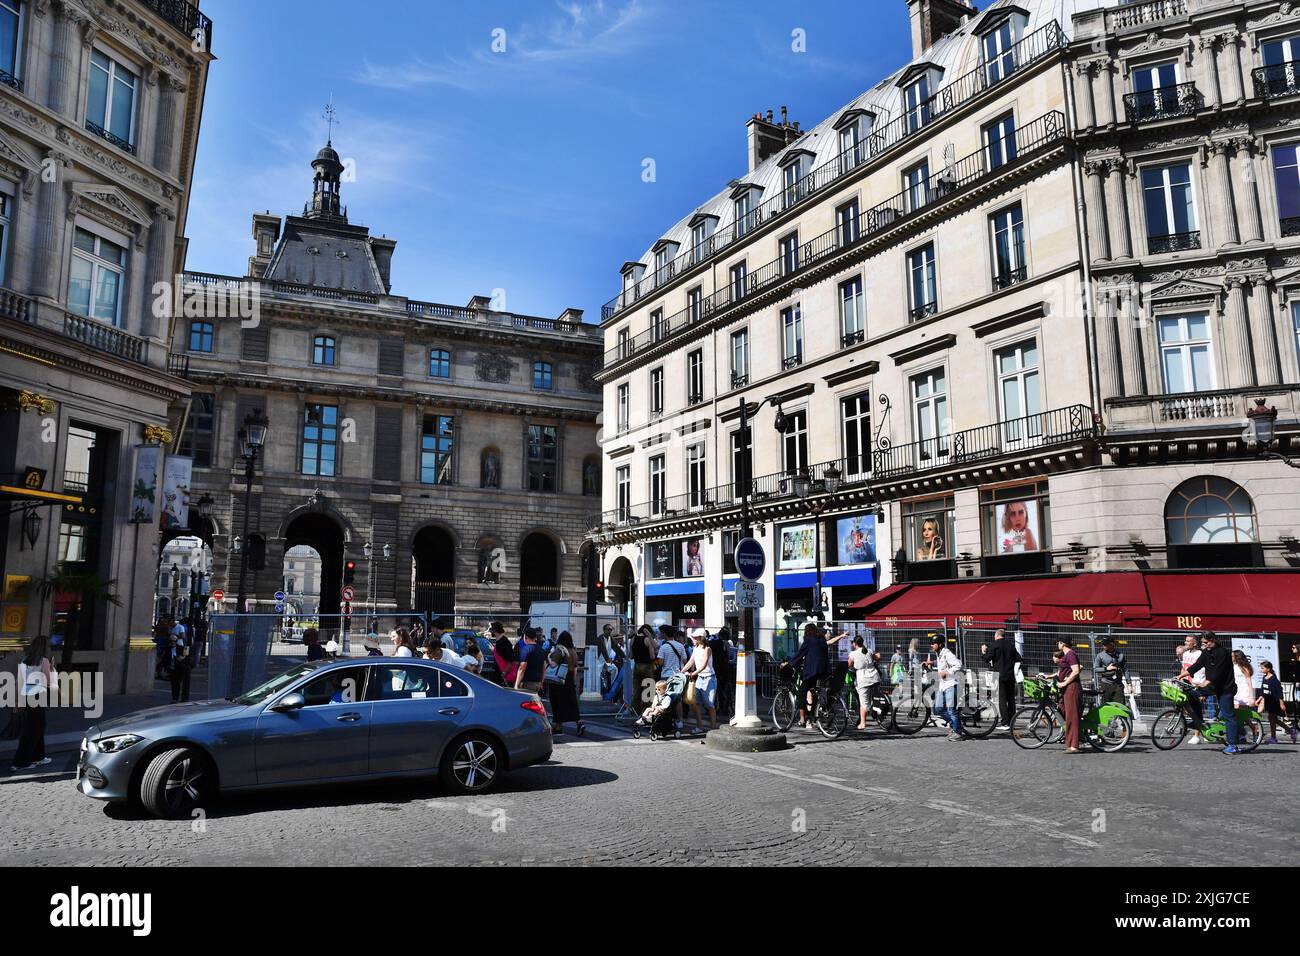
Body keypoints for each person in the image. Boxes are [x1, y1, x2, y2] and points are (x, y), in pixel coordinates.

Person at [1181, 632, 1237, 753]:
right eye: (1202, 643)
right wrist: (1182, 675)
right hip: (1213, 686)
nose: (1204, 645)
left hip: (1225, 688)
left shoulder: (1223, 653)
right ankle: (1199, 721)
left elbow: (1218, 671)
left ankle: (1233, 745)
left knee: (1228, 716)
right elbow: (1196, 665)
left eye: (1206, 643)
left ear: (1213, 640)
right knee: (1191, 694)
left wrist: (1206, 681)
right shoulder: (1206, 652)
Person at [11, 635, 54, 772]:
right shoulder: (44, 661)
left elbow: (19, 682)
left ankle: (38, 756)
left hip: (25, 695)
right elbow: (47, 682)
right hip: (38, 695)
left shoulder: (25, 661)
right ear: (44, 648)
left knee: (37, 726)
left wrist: (17, 701)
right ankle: (20, 762)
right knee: (33, 728)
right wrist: (52, 670)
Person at [786, 622, 833, 728]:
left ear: (807, 631)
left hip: (812, 671)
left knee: (801, 693)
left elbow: (800, 654)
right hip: (824, 670)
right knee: (814, 692)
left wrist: (789, 664)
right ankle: (812, 716)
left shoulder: (809, 640)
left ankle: (802, 719)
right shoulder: (822, 640)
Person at [982, 627, 1022, 729]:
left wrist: (984, 652)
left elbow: (987, 659)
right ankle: (1012, 720)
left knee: (1002, 699)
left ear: (997, 635)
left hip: (999, 675)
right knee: (1011, 699)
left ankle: (1004, 722)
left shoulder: (994, 645)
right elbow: (1018, 658)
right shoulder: (1010, 645)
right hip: (1010, 675)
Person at [927, 635, 965, 740]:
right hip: (943, 685)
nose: (931, 645)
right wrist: (931, 663)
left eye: (933, 643)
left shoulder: (947, 653)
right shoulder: (939, 654)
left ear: (939, 644)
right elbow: (941, 663)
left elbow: (958, 664)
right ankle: (956, 726)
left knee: (951, 710)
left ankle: (957, 732)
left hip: (951, 684)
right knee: (938, 709)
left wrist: (946, 672)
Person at [548, 631, 584, 736]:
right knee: (571, 703)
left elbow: (553, 665)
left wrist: (549, 657)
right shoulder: (573, 651)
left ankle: (558, 728)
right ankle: (579, 722)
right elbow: (576, 668)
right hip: (569, 679)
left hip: (559, 681)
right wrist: (572, 681)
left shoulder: (560, 650)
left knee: (557, 703)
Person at [681, 630, 717, 732]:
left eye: (696, 637)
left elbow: (704, 665)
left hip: (709, 678)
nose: (693, 639)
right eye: (693, 637)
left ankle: (713, 728)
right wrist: (681, 671)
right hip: (700, 678)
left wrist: (692, 674)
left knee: (709, 704)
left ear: (701, 638)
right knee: (695, 703)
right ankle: (699, 726)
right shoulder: (695, 648)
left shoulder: (707, 649)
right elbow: (690, 662)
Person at [656, 625, 689, 728]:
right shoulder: (680, 646)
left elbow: (660, 663)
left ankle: (667, 720)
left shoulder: (664, 647)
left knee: (665, 698)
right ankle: (680, 721)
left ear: (665, 634)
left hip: (666, 676)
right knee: (677, 699)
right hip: (678, 676)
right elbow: (685, 661)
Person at [1054, 637, 1082, 753]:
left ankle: (1074, 745)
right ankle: (1070, 743)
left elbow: (1076, 670)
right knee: (1065, 712)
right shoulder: (1067, 655)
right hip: (1067, 688)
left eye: (1058, 642)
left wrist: (1065, 682)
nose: (1057, 645)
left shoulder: (1070, 654)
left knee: (1072, 716)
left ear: (1063, 643)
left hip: (1072, 688)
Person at [1256, 661, 1295, 744]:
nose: (1261, 670)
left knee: (1272, 718)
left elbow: (1279, 691)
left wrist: (1281, 703)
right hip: (1268, 701)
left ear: (1268, 669)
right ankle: (1291, 731)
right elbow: (1263, 690)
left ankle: (1274, 738)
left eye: (1262, 668)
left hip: (1274, 701)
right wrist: (1259, 699)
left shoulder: (1273, 679)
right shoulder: (1264, 678)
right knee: (1273, 719)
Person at [848, 636, 881, 730]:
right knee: (873, 697)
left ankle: (862, 724)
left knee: (863, 703)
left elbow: (849, 664)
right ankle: (874, 709)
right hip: (875, 676)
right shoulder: (869, 650)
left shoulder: (853, 653)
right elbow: (877, 658)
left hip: (863, 679)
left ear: (855, 644)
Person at [1092, 637, 1127, 707]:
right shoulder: (1100, 656)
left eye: (1105, 644)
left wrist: (1129, 683)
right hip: (1106, 685)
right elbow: (1095, 669)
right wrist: (1106, 669)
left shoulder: (1120, 655)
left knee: (1120, 706)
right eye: (1103, 644)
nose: (1103, 646)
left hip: (1118, 684)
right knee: (1106, 707)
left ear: (1112, 644)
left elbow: (1125, 669)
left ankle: (1120, 718)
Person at [630, 624, 658, 708]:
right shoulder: (647, 640)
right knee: (648, 690)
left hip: (636, 666)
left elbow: (631, 656)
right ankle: (646, 710)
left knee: (637, 689)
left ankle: (635, 710)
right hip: (647, 667)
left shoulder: (633, 639)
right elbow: (652, 656)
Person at [708, 628, 735, 717]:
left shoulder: (713, 643)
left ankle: (714, 708)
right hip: (724, 670)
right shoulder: (725, 644)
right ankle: (724, 708)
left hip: (715, 669)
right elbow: (727, 657)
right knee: (724, 691)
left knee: (715, 690)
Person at [515, 628, 548, 694]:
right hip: (537, 683)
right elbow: (544, 667)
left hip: (526, 683)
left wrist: (516, 684)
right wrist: (541, 682)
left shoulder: (525, 649)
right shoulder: (541, 650)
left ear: (525, 636)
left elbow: (522, 668)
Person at [167, 631, 193, 703]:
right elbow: (165, 659)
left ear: (176, 641)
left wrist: (183, 657)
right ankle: (175, 698)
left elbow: (187, 655)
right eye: (171, 641)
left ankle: (182, 698)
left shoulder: (181, 648)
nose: (173, 642)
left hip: (180, 668)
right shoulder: (167, 649)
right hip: (172, 669)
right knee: (174, 684)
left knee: (180, 683)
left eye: (174, 641)